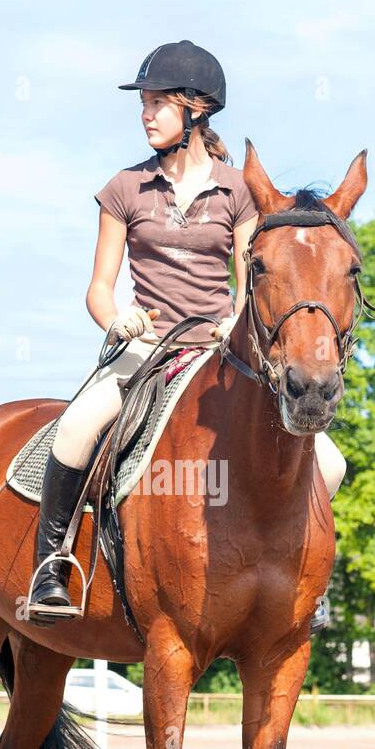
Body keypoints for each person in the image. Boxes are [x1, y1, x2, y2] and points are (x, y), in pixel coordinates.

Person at [28, 40, 346, 627]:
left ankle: (309, 580)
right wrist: (115, 318)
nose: (146, 114)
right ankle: (52, 564)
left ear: (195, 111)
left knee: (330, 463)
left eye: (157, 103)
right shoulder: (123, 189)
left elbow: (255, 277)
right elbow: (98, 287)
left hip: (217, 352)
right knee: (74, 430)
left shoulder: (239, 190)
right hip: (145, 351)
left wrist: (236, 321)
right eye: (143, 104)